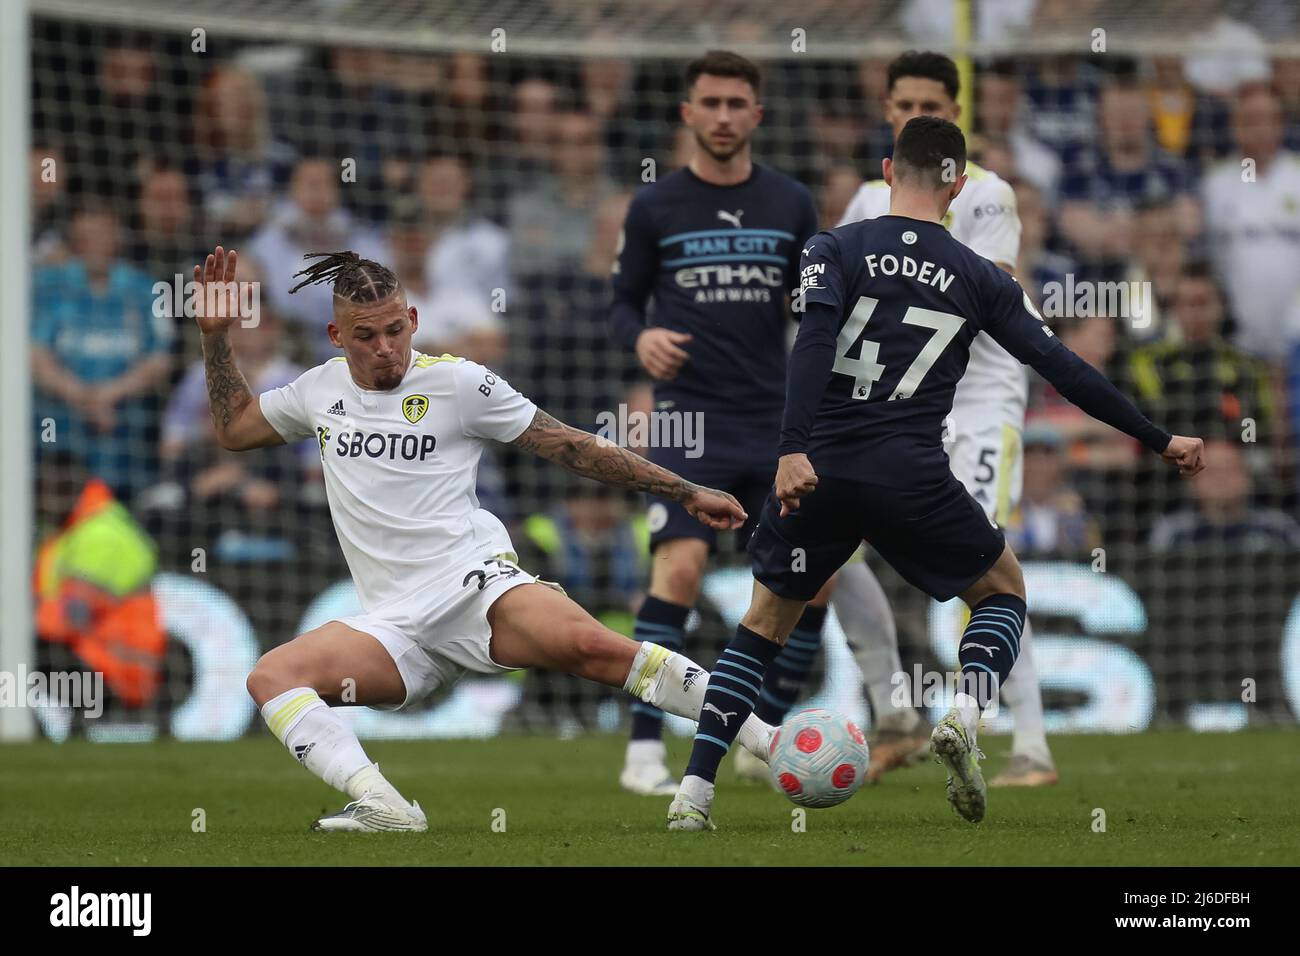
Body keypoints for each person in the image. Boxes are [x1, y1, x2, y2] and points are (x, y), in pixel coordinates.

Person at [664, 117, 1204, 831]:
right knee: (1003, 589)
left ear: (888, 172)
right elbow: (1063, 369)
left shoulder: (831, 246)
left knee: (761, 628)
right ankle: (965, 712)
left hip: (819, 470)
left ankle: (693, 794)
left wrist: (792, 449)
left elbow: (814, 342)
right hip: (911, 474)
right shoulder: (981, 277)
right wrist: (1158, 437)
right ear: (956, 184)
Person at [190, 245, 775, 831]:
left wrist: (682, 490)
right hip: (394, 625)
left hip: (475, 586)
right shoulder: (317, 392)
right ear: (336, 335)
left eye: (396, 329)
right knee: (270, 677)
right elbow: (235, 429)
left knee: (597, 649)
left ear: (413, 320)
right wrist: (216, 336)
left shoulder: (458, 383)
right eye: (365, 336)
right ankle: (385, 806)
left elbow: (571, 445)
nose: (386, 347)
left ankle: (768, 741)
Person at [608, 51, 833, 795]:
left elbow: (813, 312)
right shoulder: (655, 207)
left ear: (757, 114)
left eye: (739, 103)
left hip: (773, 423)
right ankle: (644, 750)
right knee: (678, 568)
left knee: (809, 582)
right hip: (685, 424)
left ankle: (759, 731)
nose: (725, 116)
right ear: (689, 113)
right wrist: (639, 339)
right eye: (712, 102)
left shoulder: (792, 204)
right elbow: (618, 307)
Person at [833, 50, 1053, 787]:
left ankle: (1028, 746)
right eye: (901, 104)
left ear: (955, 114)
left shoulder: (988, 197)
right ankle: (895, 714)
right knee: (834, 556)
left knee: (990, 571)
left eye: (929, 104)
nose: (912, 117)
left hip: (979, 406)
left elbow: (966, 299)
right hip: (895, 414)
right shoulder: (866, 201)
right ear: (886, 110)